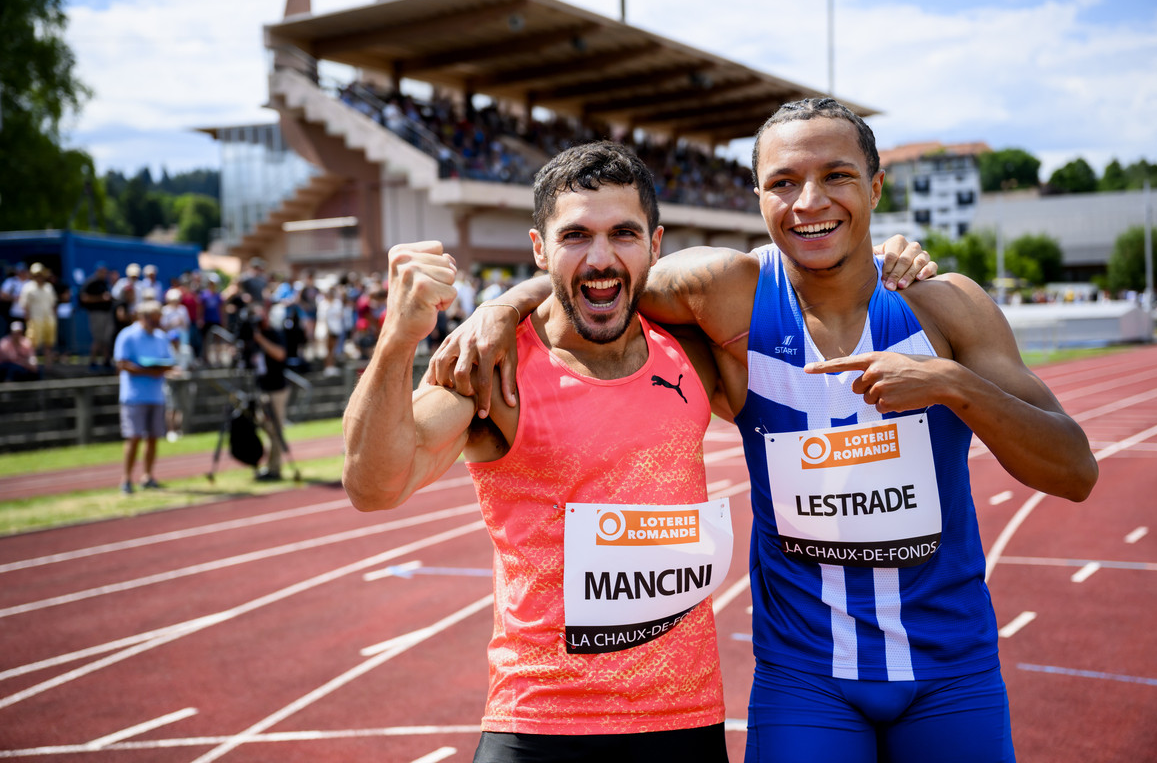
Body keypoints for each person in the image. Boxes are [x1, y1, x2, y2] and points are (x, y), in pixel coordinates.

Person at [431, 100, 1098, 762]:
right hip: (806, 679)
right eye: (783, 182)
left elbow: (1074, 471)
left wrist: (953, 384)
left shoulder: (947, 306)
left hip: (951, 671)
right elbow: (601, 276)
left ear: (876, 186)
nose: (810, 201)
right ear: (758, 196)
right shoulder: (729, 293)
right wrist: (500, 305)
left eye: (836, 176)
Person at [345, 141, 932, 762]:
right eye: (575, 236)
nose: (601, 258)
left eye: (623, 234)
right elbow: (375, 484)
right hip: (542, 729)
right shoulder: (499, 370)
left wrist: (885, 260)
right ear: (540, 251)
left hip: (685, 726)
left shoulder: (691, 354)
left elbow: (824, 375)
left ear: (655, 246)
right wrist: (399, 335)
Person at [114, 300, 176, 494]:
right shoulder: (127, 335)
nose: (156, 323)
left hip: (156, 396)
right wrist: (146, 370)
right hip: (134, 396)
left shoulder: (161, 337)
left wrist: (161, 368)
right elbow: (122, 363)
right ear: (142, 317)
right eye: (153, 319)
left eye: (158, 319)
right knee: (133, 437)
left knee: (153, 438)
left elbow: (169, 362)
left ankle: (148, 476)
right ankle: (126, 479)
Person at [242, 304, 290, 481]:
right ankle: (267, 463)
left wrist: (260, 339)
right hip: (261, 388)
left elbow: (280, 354)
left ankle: (274, 469)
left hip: (277, 388)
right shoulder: (250, 338)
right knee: (265, 427)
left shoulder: (273, 333)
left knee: (276, 429)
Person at [18, 263, 58, 363]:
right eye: (36, 274)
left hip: (48, 319)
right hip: (35, 319)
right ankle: (32, 366)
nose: (39, 277)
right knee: (32, 344)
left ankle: (48, 366)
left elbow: (53, 303)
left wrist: (54, 317)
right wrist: (28, 319)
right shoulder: (28, 287)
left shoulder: (48, 287)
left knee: (48, 344)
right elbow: (25, 305)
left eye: (40, 274)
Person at [80, 262, 115, 370]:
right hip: (96, 314)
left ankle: (106, 361)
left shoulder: (104, 283)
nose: (104, 274)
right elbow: (84, 298)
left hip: (106, 313)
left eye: (105, 272)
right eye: (101, 271)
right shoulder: (91, 282)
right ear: (97, 271)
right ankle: (92, 361)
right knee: (98, 339)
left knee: (106, 339)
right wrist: (101, 298)